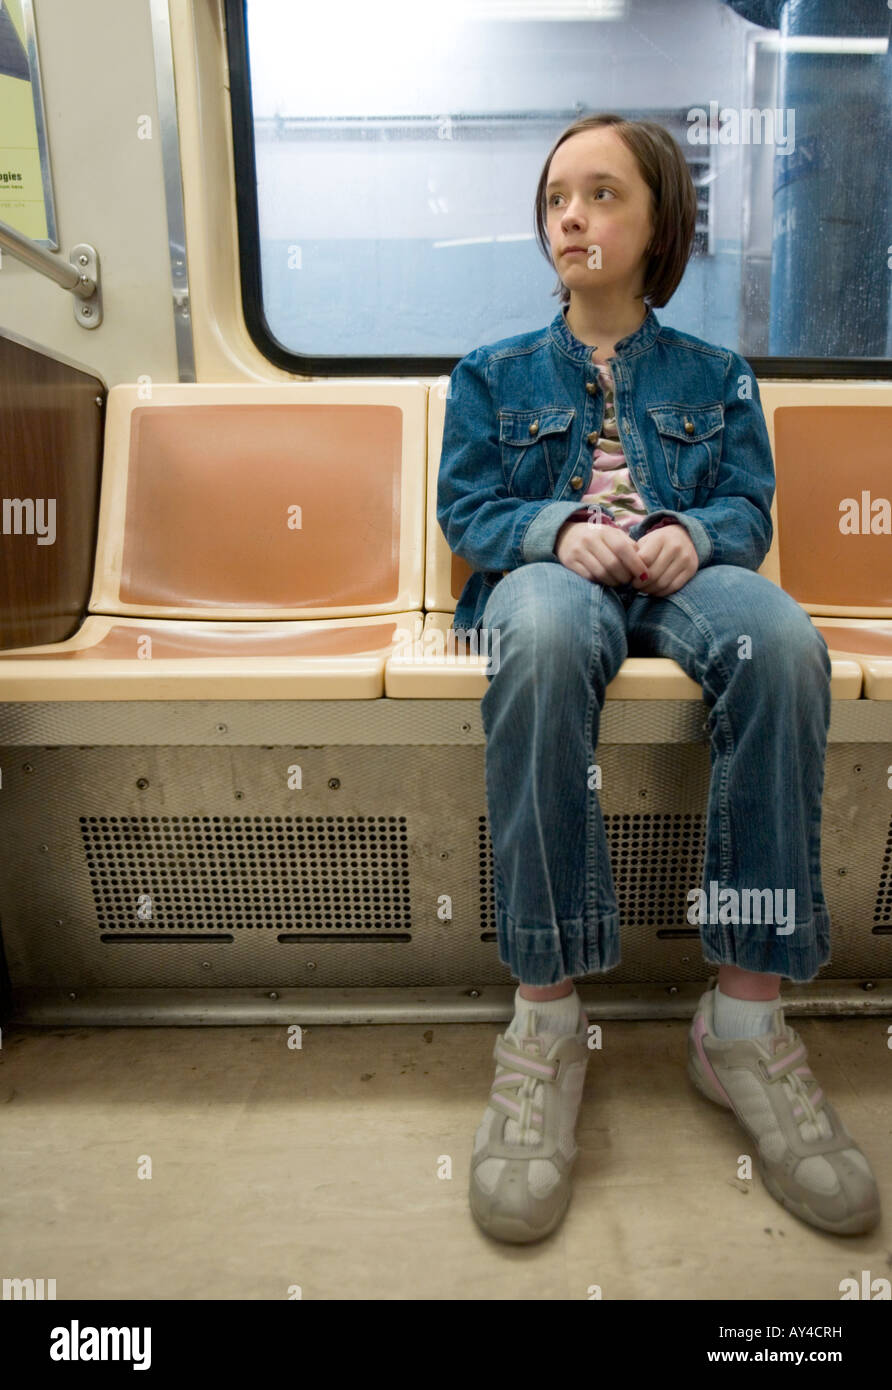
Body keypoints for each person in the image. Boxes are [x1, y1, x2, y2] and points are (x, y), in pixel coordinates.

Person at [436, 113, 881, 1246]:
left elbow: (746, 506)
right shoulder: (488, 376)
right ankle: (543, 1021)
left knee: (782, 645)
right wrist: (553, 526)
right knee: (533, 641)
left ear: (659, 221)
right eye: (554, 200)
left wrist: (692, 528)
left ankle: (741, 1017)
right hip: (553, 578)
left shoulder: (718, 373)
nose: (570, 216)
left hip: (680, 578)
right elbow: (469, 512)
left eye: (600, 195)